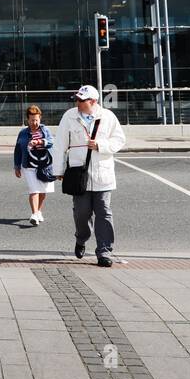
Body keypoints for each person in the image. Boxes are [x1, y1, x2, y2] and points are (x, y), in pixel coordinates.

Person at [53, 85, 127, 268]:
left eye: (81, 100)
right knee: (81, 213)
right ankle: (81, 238)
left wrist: (101, 145)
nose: (77, 102)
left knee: (104, 212)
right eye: (76, 99)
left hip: (103, 174)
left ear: (93, 102)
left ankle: (104, 251)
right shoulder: (69, 116)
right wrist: (58, 170)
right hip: (79, 175)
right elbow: (59, 145)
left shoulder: (108, 117)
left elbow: (119, 140)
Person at [13, 105, 56, 224]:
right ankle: (34, 214)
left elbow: (52, 142)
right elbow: (17, 150)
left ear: (40, 119)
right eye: (32, 120)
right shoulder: (23, 133)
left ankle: (38, 211)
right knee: (34, 190)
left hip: (45, 166)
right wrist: (17, 166)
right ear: (28, 119)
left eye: (36, 119)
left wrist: (41, 141)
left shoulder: (45, 130)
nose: (34, 122)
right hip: (29, 166)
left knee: (43, 192)